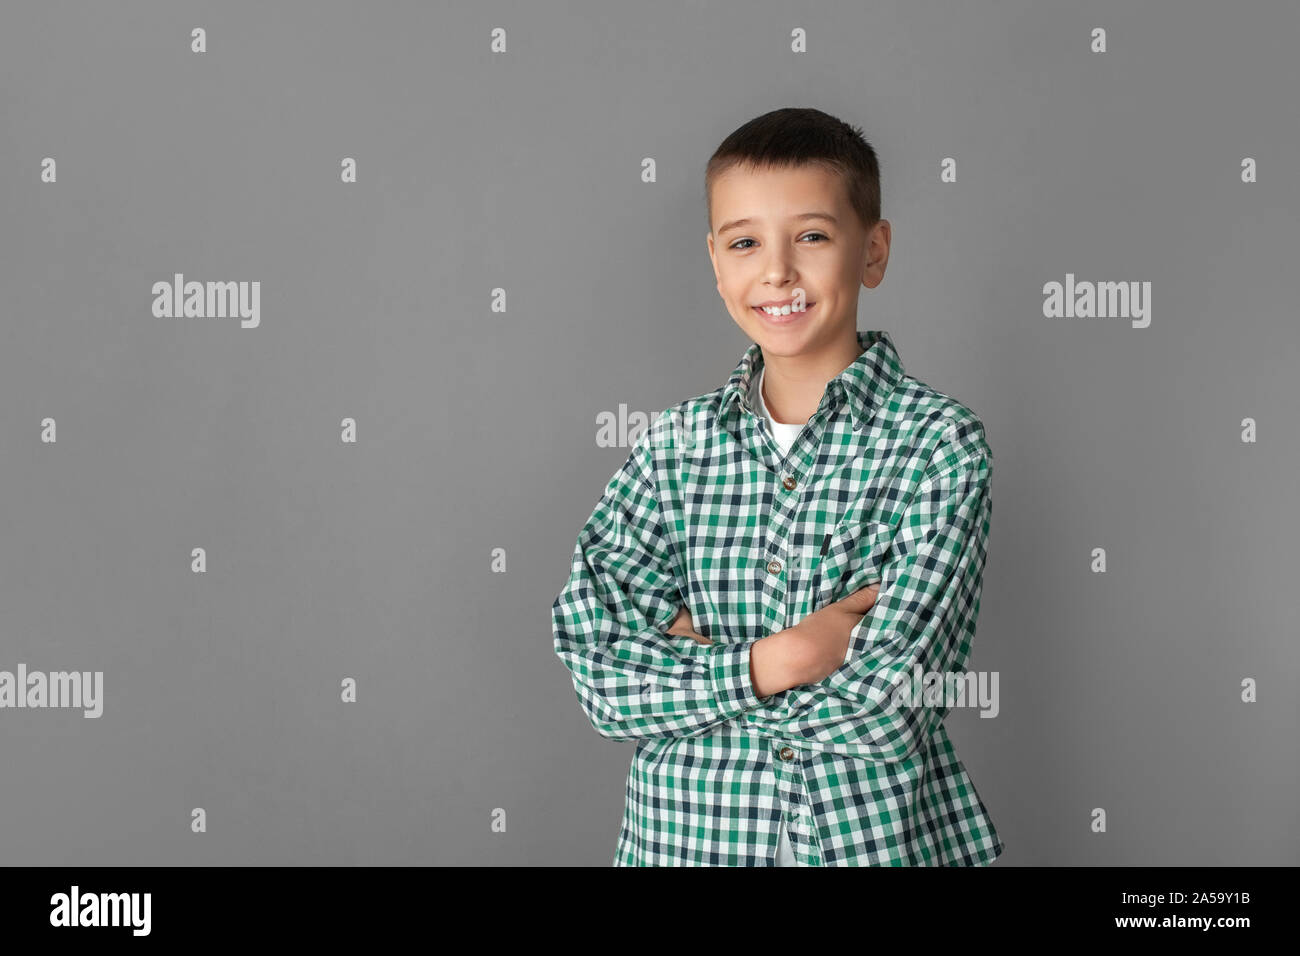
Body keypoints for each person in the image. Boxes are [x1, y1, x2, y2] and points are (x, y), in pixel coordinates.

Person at [552, 107, 1004, 866]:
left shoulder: (939, 448)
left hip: (877, 845)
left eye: (814, 236)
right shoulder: (673, 447)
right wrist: (787, 657)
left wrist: (690, 676)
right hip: (686, 843)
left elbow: (886, 712)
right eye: (745, 243)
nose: (777, 272)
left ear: (874, 250)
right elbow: (602, 681)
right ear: (715, 261)